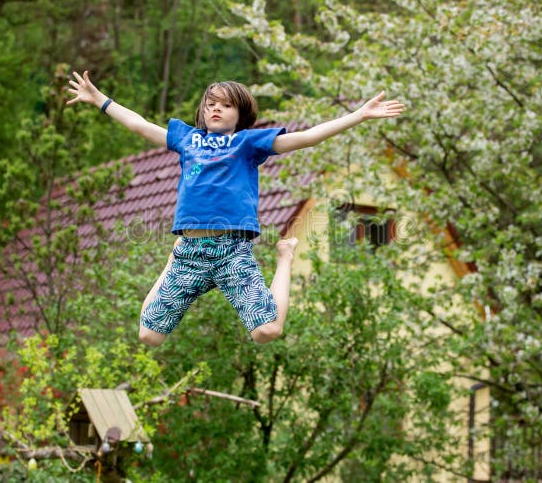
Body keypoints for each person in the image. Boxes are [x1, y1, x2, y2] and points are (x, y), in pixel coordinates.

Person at [67, 71, 405, 346]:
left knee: (267, 331)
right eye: (211, 104)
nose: (216, 109)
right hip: (190, 253)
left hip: (232, 252)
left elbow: (307, 137)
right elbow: (139, 125)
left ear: (240, 114)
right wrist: (101, 101)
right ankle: (171, 260)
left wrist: (359, 115)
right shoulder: (188, 139)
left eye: (226, 106)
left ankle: (285, 258)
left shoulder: (247, 143)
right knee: (149, 335)